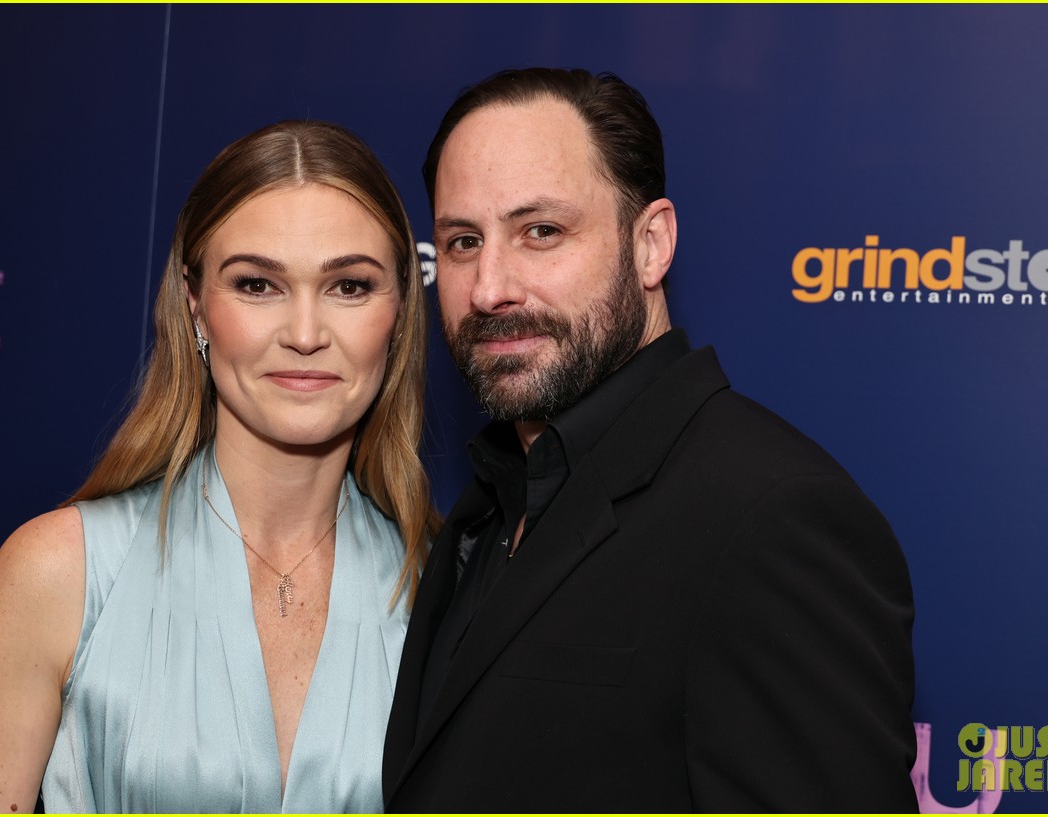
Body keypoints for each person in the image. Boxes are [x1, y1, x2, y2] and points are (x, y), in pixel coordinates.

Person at [382, 68, 918, 811]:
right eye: (463, 241)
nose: (488, 286)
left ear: (651, 244)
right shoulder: (484, 507)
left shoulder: (772, 517)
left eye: (541, 232)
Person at [0, 120, 437, 813]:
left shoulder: (443, 588)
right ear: (196, 307)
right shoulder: (60, 574)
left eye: (349, 286)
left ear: (400, 313)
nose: (306, 333)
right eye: (258, 284)